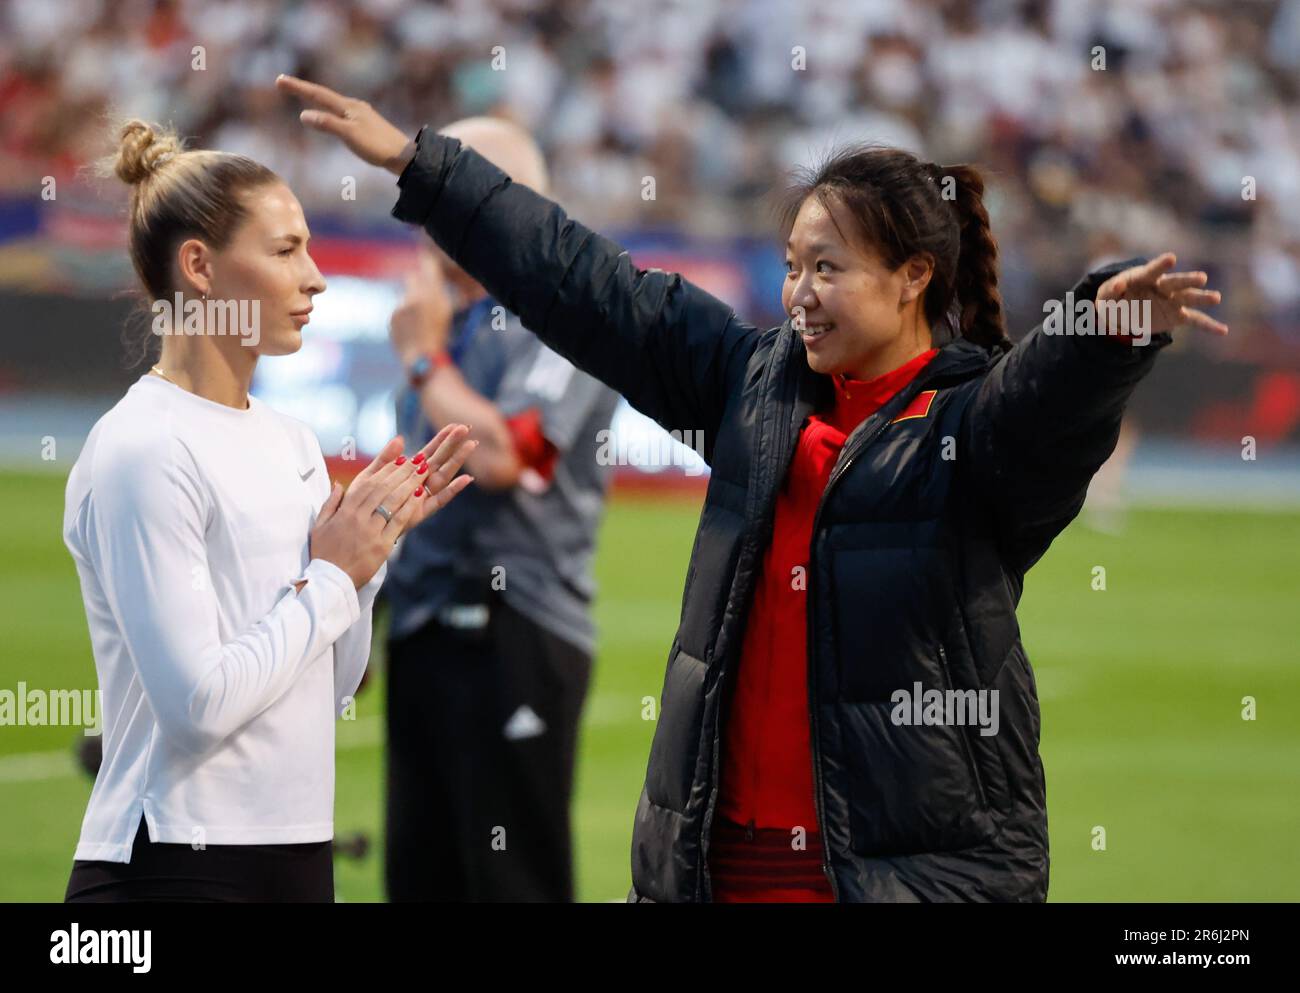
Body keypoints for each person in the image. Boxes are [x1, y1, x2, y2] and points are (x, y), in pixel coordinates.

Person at [276, 75, 1227, 903]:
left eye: (829, 268)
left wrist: (1105, 331)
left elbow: (1042, 402)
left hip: (899, 877)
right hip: (718, 868)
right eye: (791, 266)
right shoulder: (747, 384)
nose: (800, 291)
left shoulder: (968, 432)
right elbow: (584, 281)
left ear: (913, 278)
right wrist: (421, 164)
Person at [62, 119, 476, 903]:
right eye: (286, 251)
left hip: (295, 855)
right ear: (199, 268)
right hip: (172, 859)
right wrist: (331, 575)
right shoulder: (144, 447)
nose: (316, 277)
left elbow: (334, 684)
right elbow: (197, 705)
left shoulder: (293, 441)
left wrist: (365, 566)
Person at [381, 117, 619, 902]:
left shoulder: (567, 306)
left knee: (510, 880)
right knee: (420, 874)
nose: (425, 220)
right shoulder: (453, 316)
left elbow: (503, 459)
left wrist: (422, 358)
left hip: (517, 622)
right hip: (423, 620)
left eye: (444, 197)